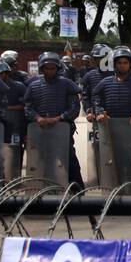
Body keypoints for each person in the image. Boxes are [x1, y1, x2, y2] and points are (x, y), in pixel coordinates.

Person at [23, 52, 84, 188]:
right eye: (46, 68)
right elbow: (28, 108)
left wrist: (59, 118)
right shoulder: (33, 86)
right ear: (41, 68)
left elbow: (74, 108)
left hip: (62, 129)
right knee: (42, 160)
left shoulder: (67, 84)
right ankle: (44, 188)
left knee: (69, 159)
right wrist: (38, 118)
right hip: (40, 129)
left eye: (52, 68)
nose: (49, 71)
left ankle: (77, 189)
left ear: (57, 68)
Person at [92, 45, 131, 124]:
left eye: (125, 63)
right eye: (119, 63)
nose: (122, 65)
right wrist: (100, 113)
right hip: (109, 126)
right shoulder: (105, 83)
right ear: (115, 65)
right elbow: (96, 100)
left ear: (130, 65)